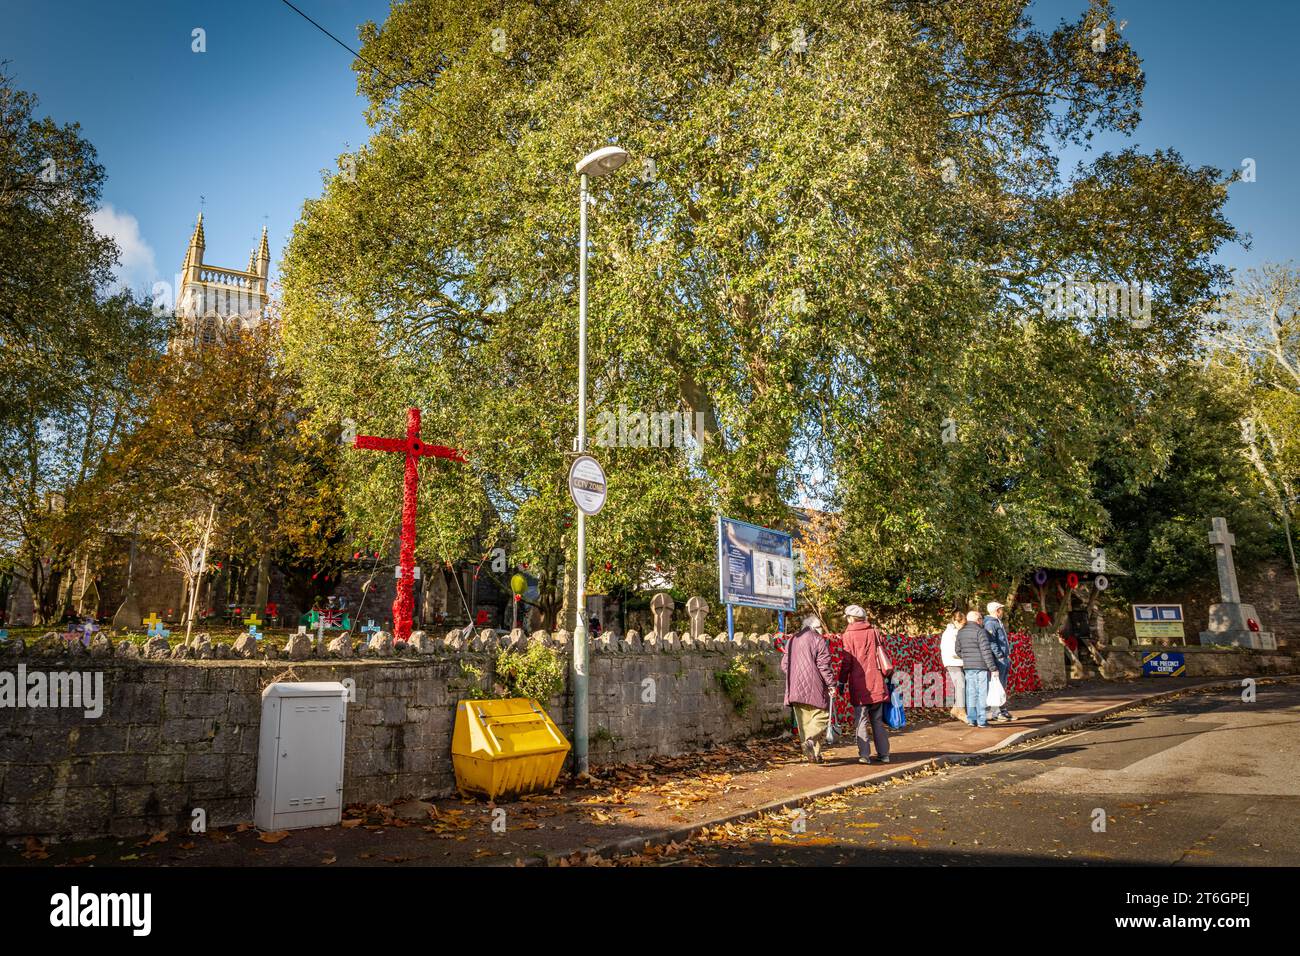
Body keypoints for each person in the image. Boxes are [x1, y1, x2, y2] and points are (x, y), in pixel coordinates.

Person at [837, 605, 891, 764]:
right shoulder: (874, 632)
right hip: (877, 682)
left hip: (860, 685)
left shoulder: (848, 636)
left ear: (850, 618)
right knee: (877, 720)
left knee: (861, 720)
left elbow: (846, 662)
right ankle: (884, 754)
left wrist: (841, 681)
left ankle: (864, 755)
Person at [781, 614, 839, 763]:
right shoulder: (818, 640)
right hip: (816, 687)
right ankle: (810, 740)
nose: (822, 631)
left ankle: (814, 755)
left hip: (795, 688)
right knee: (822, 716)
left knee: (805, 723)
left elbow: (784, 665)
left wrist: (796, 676)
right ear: (814, 627)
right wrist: (831, 684)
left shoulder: (792, 640)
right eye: (820, 627)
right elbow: (823, 666)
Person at [955, 610, 998, 728]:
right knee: (982, 694)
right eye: (981, 619)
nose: (982, 621)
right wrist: (993, 668)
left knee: (971, 693)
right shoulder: (980, 631)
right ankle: (981, 721)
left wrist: (967, 658)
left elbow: (957, 650)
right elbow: (986, 651)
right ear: (978, 620)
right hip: (981, 667)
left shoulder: (961, 632)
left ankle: (971, 720)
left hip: (968, 667)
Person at [983, 601, 1014, 722]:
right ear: (996, 611)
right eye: (1001, 609)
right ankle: (995, 712)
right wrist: (1000, 655)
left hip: (1004, 658)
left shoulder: (997, 622)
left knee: (1002, 685)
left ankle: (1002, 709)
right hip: (999, 659)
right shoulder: (990, 623)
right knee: (998, 686)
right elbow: (992, 642)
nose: (1002, 611)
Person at [939, 609, 966, 722]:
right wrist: (965, 656)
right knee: (961, 686)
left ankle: (956, 709)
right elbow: (953, 651)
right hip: (953, 662)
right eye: (962, 623)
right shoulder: (951, 633)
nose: (963, 626)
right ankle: (961, 711)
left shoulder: (955, 631)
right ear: (956, 621)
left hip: (957, 662)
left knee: (962, 685)